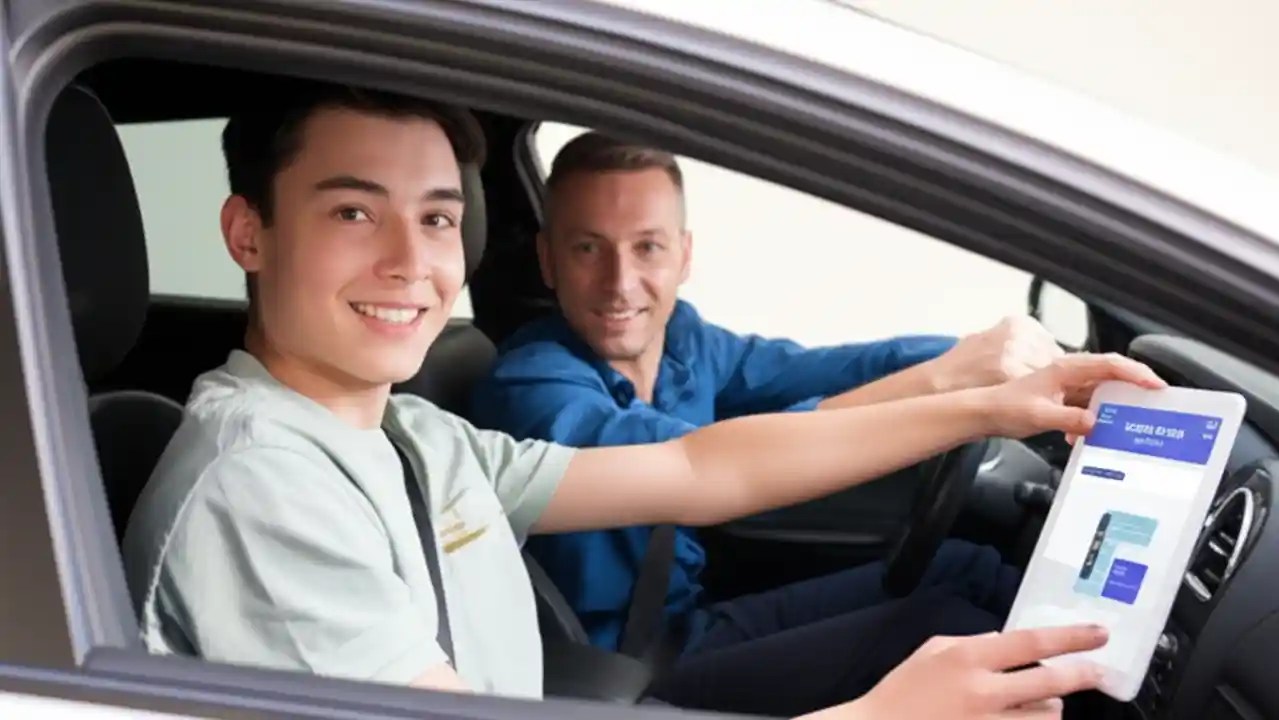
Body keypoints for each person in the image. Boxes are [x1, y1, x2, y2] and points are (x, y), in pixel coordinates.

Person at [121, 82, 1163, 720]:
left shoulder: (412, 432)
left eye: (436, 220)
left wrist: (990, 404)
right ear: (248, 233)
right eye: (354, 212)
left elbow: (701, 468)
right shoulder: (262, 489)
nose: (410, 262)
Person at [467, 133, 1066, 708]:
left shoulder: (683, 342)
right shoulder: (532, 387)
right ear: (548, 260)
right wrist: (944, 385)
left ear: (684, 255)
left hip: (692, 618)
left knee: (969, 569)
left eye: (647, 247)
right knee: (951, 625)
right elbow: (708, 462)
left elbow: (826, 369)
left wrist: (979, 353)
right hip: (622, 675)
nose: (620, 284)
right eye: (588, 249)